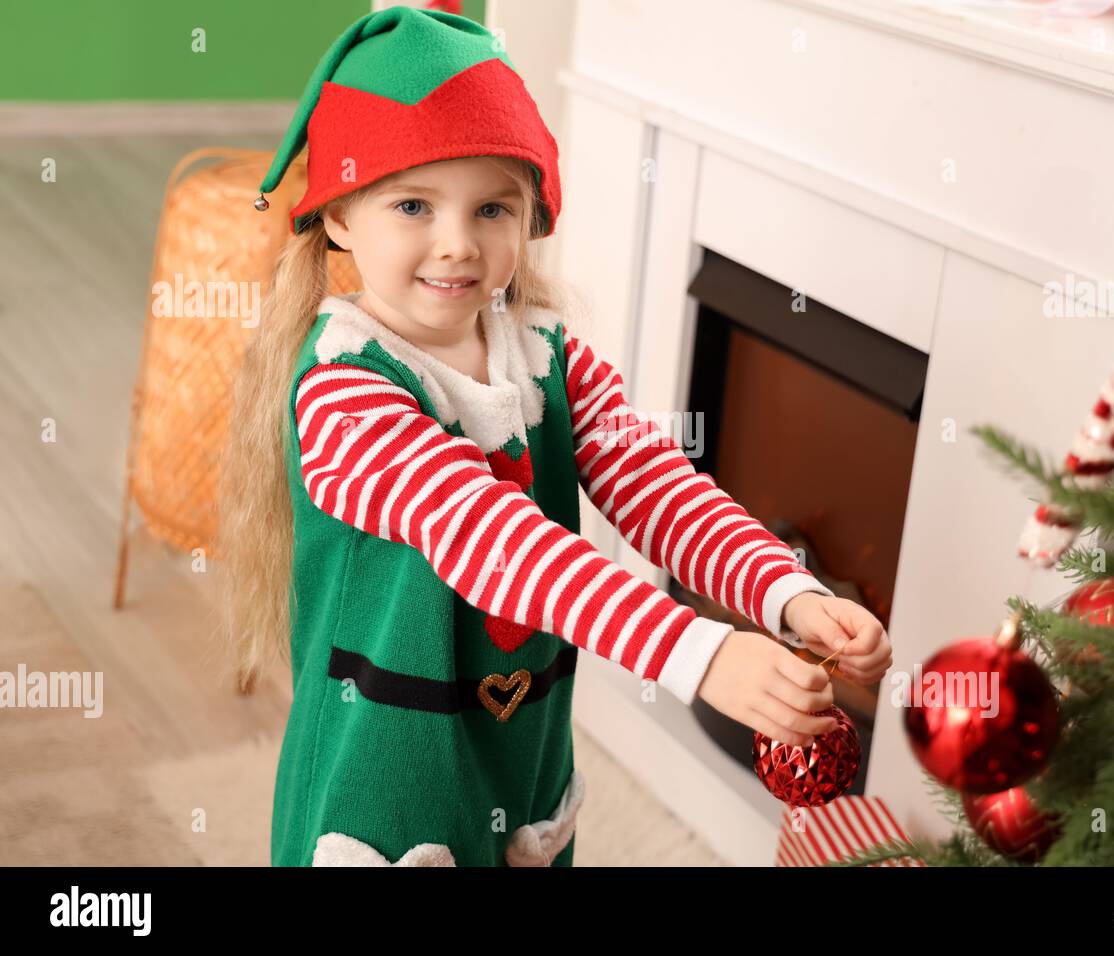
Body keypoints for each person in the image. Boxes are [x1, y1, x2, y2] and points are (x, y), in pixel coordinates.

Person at [216, 5, 891, 868]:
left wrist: (786, 593)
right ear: (340, 215)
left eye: (492, 207)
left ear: (528, 215)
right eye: (413, 204)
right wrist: (700, 654)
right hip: (387, 782)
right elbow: (493, 540)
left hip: (522, 754)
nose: (457, 245)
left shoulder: (544, 357)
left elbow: (657, 486)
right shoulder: (344, 390)